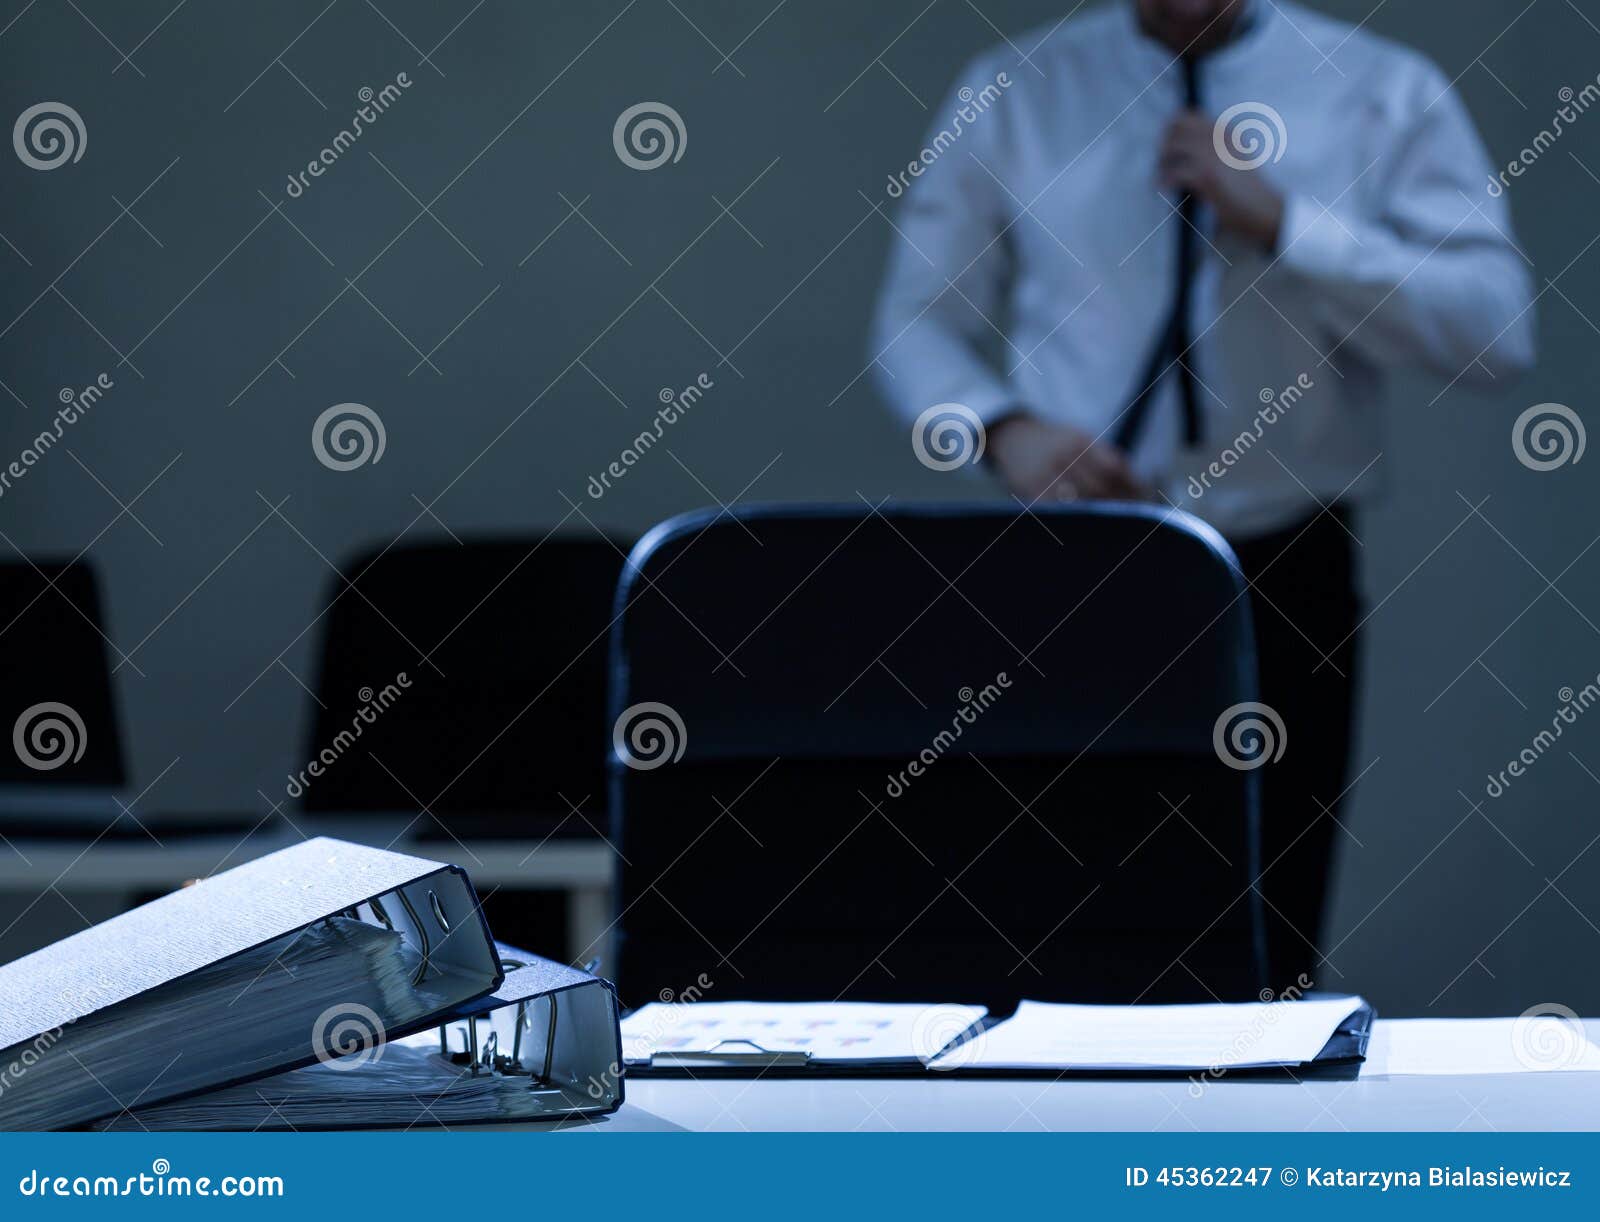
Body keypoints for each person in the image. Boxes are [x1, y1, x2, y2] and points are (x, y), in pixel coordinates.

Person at [871, 0, 1534, 988]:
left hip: (1283, 573)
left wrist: (1290, 225)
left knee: (1266, 935)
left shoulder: (1380, 90)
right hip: (1070, 568)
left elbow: (1495, 331)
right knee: (1054, 932)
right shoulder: (1013, 90)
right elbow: (914, 321)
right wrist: (998, 428)